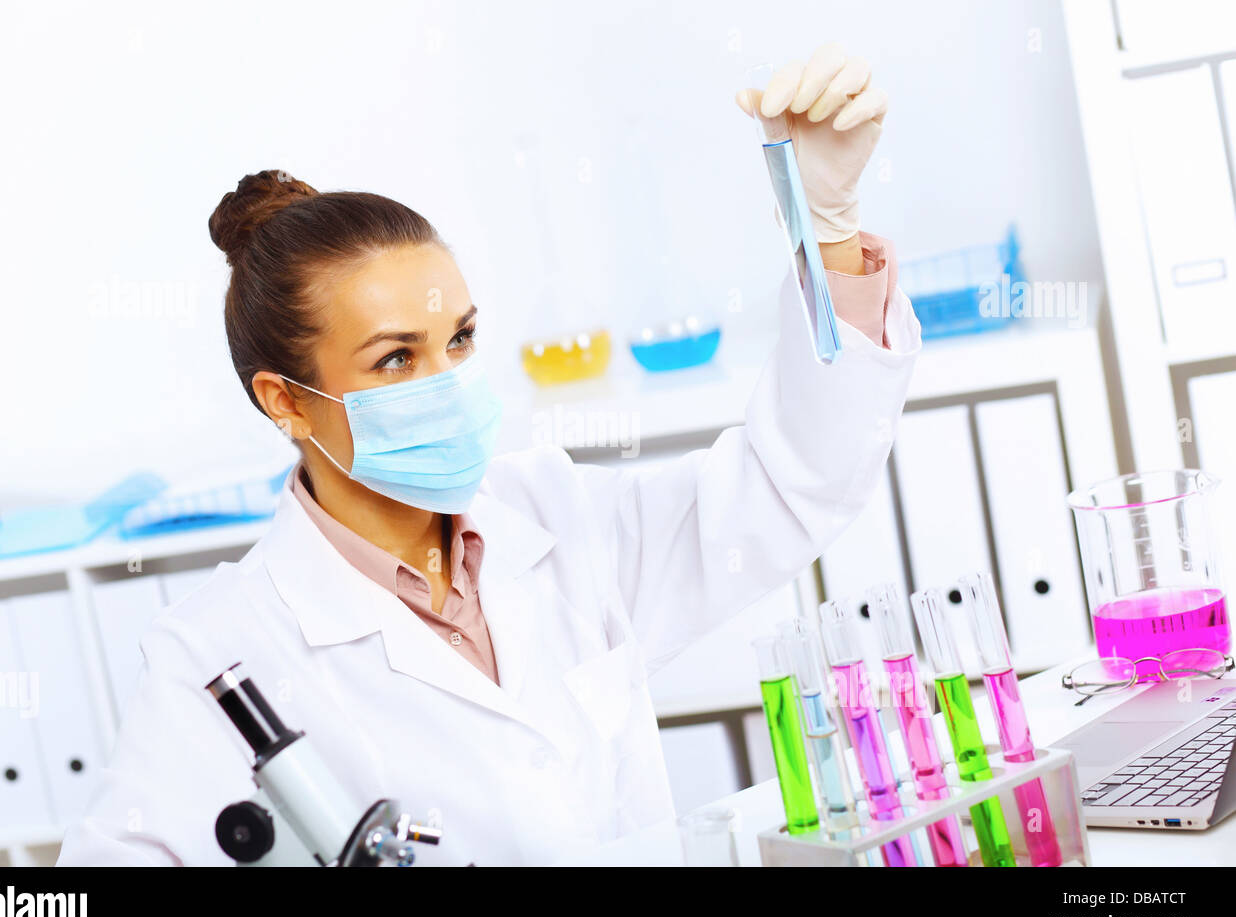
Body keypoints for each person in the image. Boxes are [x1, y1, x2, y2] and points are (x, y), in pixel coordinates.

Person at [58, 45, 920, 866]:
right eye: (396, 358)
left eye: (460, 340)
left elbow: (788, 481)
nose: (448, 382)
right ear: (284, 400)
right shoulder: (217, 652)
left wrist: (829, 229)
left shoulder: (554, 518)